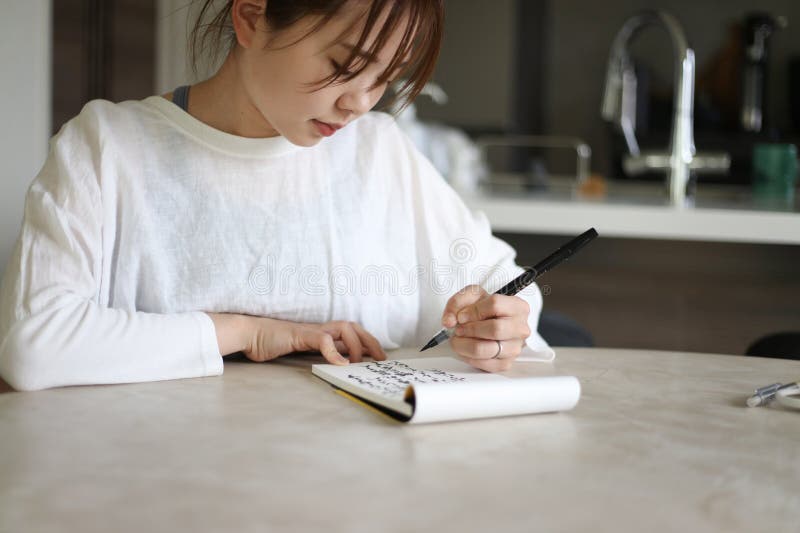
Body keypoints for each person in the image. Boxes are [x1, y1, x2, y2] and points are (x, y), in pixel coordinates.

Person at [0, 0, 552, 392]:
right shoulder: (107, 149)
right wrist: (249, 331)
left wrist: (500, 321)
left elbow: (503, 281)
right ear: (251, 17)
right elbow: (35, 343)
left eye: (385, 78)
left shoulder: (380, 151)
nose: (361, 103)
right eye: (345, 66)